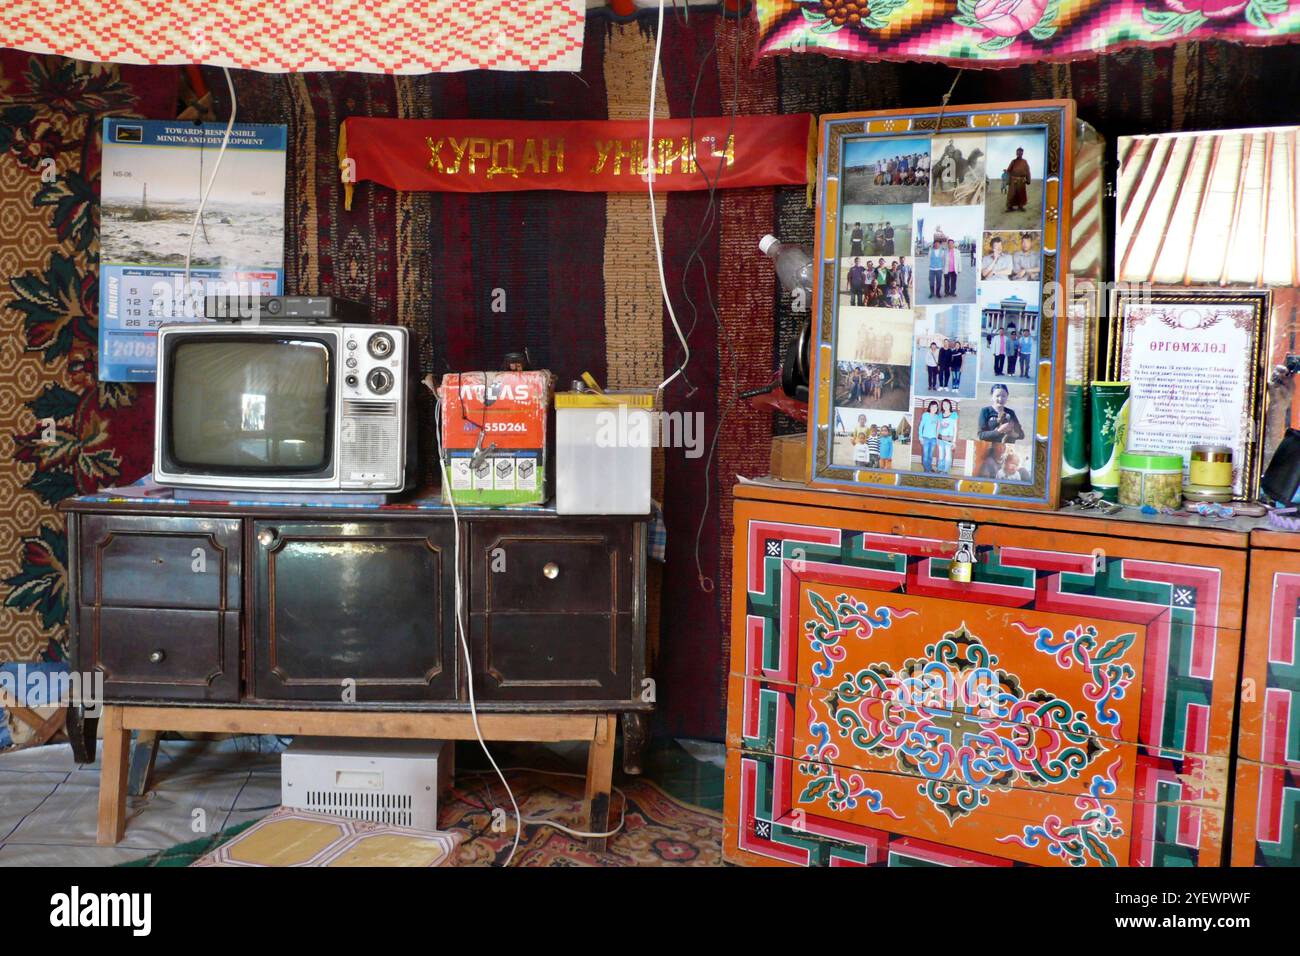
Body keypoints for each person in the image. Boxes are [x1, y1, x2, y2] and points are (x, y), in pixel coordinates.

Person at [1004, 146, 1032, 212]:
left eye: (1021, 152)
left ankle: (1020, 206)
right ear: (1016, 153)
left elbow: (1028, 171)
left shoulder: (1025, 162)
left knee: (1021, 194)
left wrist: (1028, 180)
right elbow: (1008, 171)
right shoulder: (1013, 161)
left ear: (1022, 153)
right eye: (1018, 152)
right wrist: (1008, 181)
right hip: (1013, 181)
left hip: (1022, 181)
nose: (1019, 153)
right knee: (1011, 194)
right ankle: (1009, 207)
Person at [936, 399, 957, 473]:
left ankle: (945, 471)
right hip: (940, 438)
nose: (945, 406)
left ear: (950, 405)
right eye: (944, 404)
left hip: (949, 439)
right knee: (941, 455)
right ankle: (940, 469)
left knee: (948, 456)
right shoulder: (940, 415)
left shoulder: (954, 414)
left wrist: (954, 441)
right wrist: (936, 438)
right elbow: (938, 427)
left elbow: (955, 428)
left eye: (947, 404)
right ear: (942, 406)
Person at [919, 400, 940, 472]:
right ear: (930, 407)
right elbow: (921, 426)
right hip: (925, 438)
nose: (934, 408)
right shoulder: (925, 415)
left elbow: (938, 428)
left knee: (930, 455)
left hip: (933, 439)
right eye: (932, 406)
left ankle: (929, 468)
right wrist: (920, 437)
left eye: (936, 407)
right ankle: (927, 470)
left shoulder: (937, 417)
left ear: (937, 408)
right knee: (925, 455)